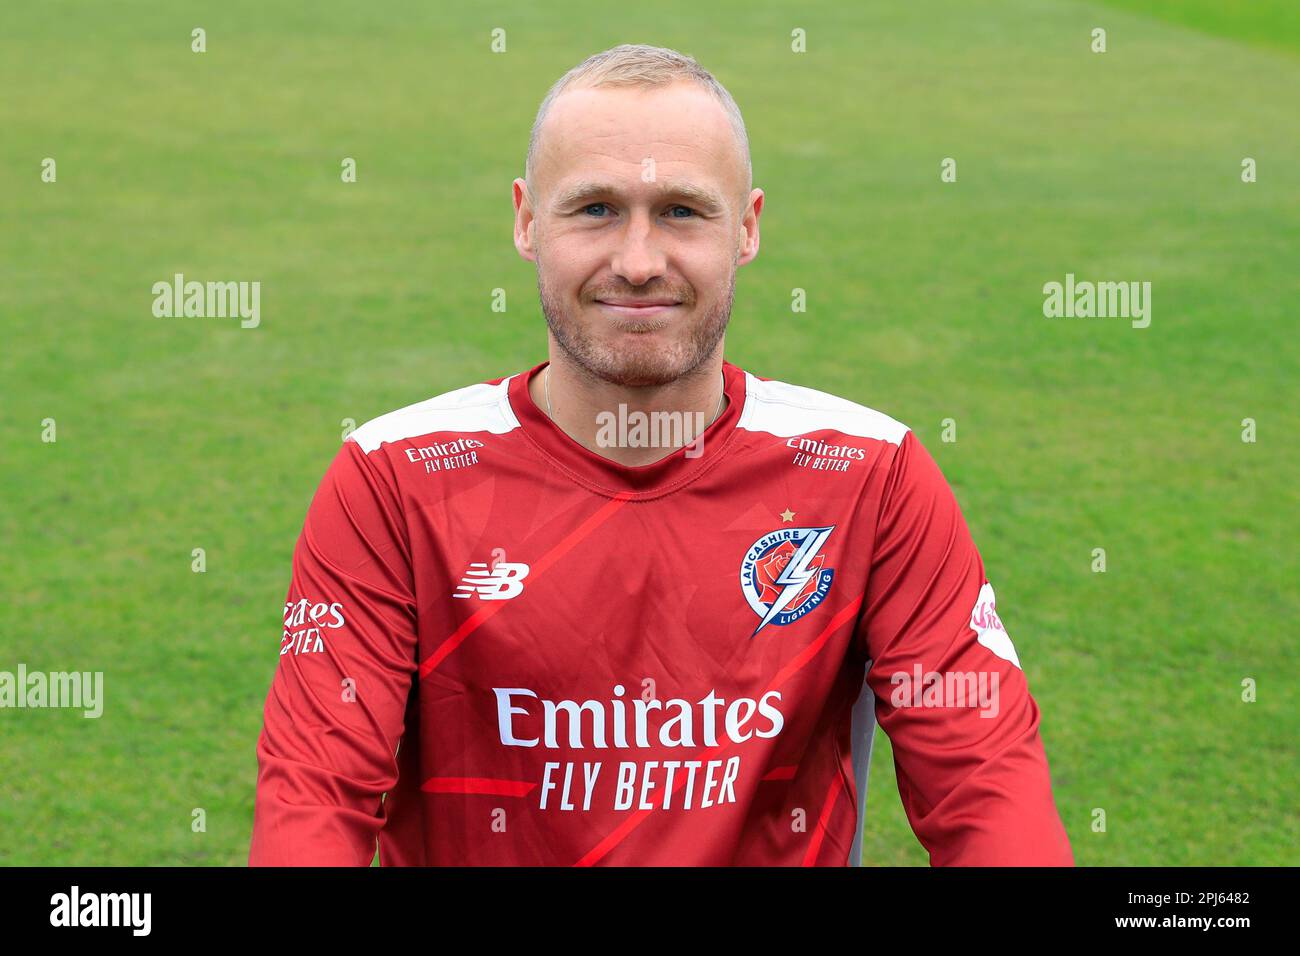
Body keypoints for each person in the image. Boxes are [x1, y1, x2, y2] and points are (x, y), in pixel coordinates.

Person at [249, 43, 1073, 866]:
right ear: (527, 220)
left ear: (746, 227)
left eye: (681, 211)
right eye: (596, 209)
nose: (639, 263)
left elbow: (985, 783)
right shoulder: (394, 479)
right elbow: (315, 794)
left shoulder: (869, 475)